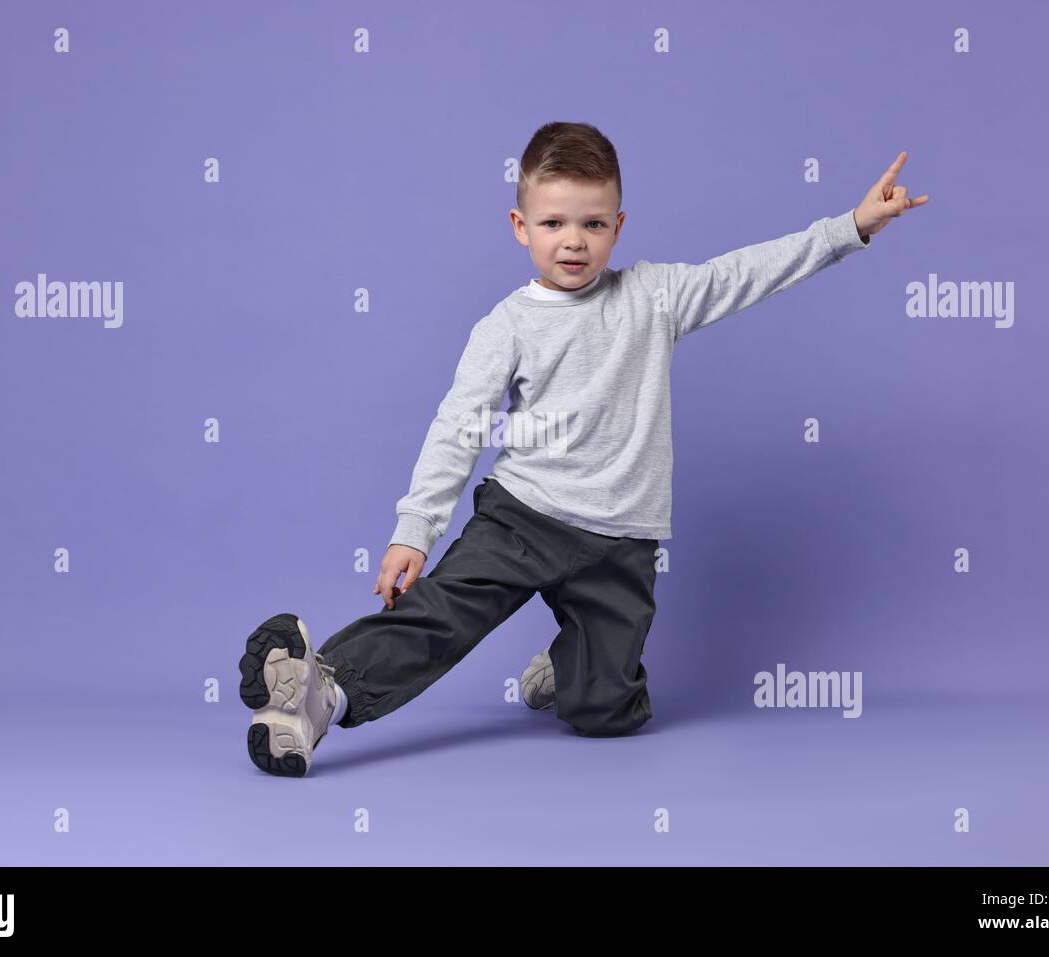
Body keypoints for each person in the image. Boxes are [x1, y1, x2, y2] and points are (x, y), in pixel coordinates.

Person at [238, 121, 928, 776]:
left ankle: (574, 670)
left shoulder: (653, 296)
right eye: (554, 223)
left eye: (594, 223)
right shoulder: (506, 325)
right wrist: (414, 528)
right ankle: (321, 692)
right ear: (521, 227)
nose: (574, 241)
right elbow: (459, 426)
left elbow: (746, 271)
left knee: (608, 711)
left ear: (618, 226)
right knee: (442, 614)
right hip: (523, 517)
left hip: (622, 541)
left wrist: (852, 227)